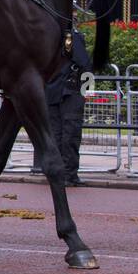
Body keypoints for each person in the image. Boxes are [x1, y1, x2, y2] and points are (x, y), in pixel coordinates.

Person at [41, 29, 91, 186]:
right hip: (70, 91)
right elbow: (86, 64)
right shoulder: (72, 36)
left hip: (53, 91)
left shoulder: (46, 35)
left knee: (57, 134)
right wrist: (86, 91)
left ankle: (59, 174)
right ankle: (68, 175)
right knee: (69, 134)